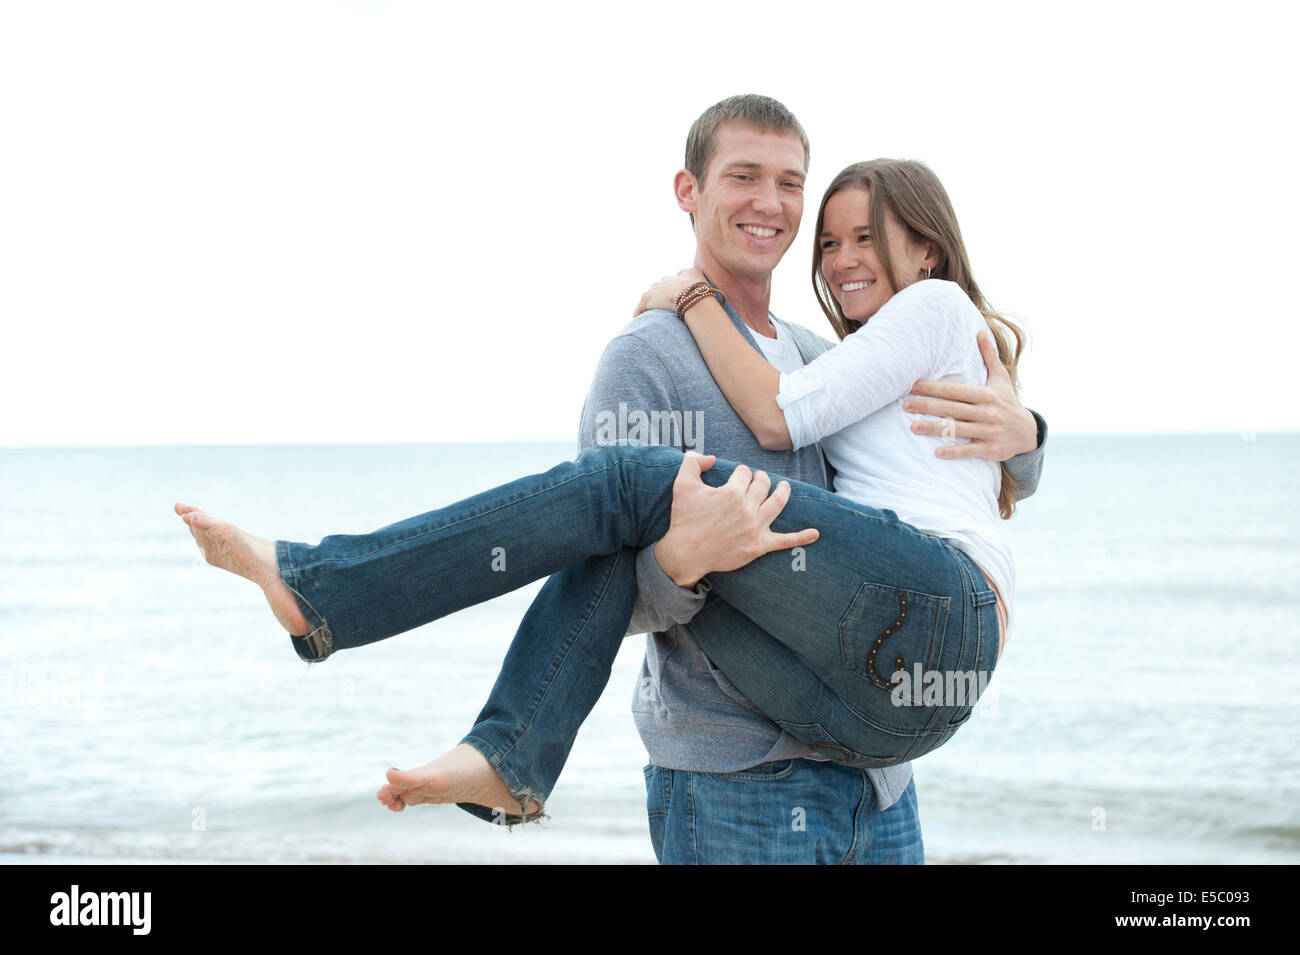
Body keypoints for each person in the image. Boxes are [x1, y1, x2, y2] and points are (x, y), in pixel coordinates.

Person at [177, 98, 1047, 865]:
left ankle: (419, 667)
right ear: (688, 190)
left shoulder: (833, 361)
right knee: (624, 501)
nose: (772, 204)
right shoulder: (648, 356)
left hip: (875, 767)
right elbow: (598, 584)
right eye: (744, 176)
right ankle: (419, 674)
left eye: (791, 183)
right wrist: (675, 562)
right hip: (738, 783)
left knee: (631, 488)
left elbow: (945, 457)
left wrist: (1030, 434)